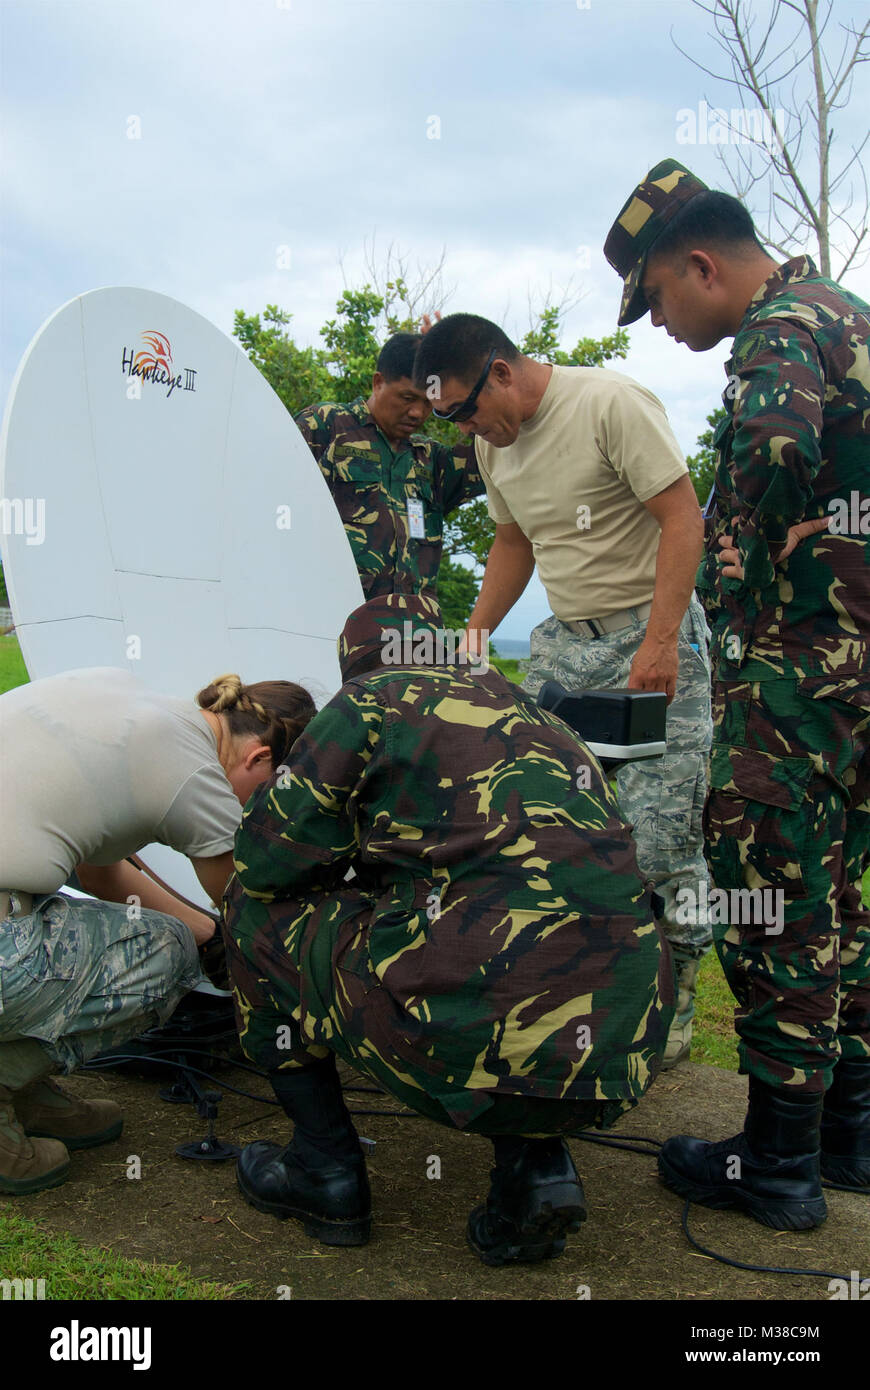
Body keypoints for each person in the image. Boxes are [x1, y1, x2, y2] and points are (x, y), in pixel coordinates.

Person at [222, 593, 674, 1266]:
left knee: (251, 912)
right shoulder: (537, 715)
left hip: (467, 1040)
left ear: (356, 662)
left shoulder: (368, 702)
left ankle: (324, 1170)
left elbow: (265, 862)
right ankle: (534, 1169)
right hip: (623, 1047)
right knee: (502, 932)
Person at [604, 157, 870, 1228]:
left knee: (775, 906)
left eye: (658, 298)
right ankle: (847, 1134)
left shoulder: (778, 329)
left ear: (702, 264)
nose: (660, 324)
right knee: (842, 899)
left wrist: (737, 576)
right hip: (856, 684)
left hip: (801, 678)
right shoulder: (847, 312)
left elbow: (769, 443)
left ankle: (774, 1171)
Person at [412, 313, 713, 1068]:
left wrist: (662, 640)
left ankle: (675, 1001)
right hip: (566, 645)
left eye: (466, 410)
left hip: (649, 639)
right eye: (448, 418)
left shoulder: (609, 404)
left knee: (659, 833)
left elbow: (682, 518)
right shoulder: (493, 444)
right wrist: (474, 637)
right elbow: (514, 542)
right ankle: (574, 987)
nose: (464, 429)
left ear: (502, 372)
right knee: (541, 819)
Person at [0, 666, 316, 1194]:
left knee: (147, 931)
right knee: (166, 956)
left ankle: (23, 1088)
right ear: (260, 758)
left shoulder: (125, 695)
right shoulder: (197, 775)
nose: (258, 809)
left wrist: (207, 933)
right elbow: (252, 918)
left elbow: (101, 874)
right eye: (267, 794)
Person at [295, 331, 485, 600]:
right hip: (333, 621)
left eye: (428, 403)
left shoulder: (432, 461)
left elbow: (495, 444)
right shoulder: (325, 427)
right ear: (378, 383)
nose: (418, 413)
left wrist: (462, 365)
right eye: (407, 398)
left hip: (412, 632)